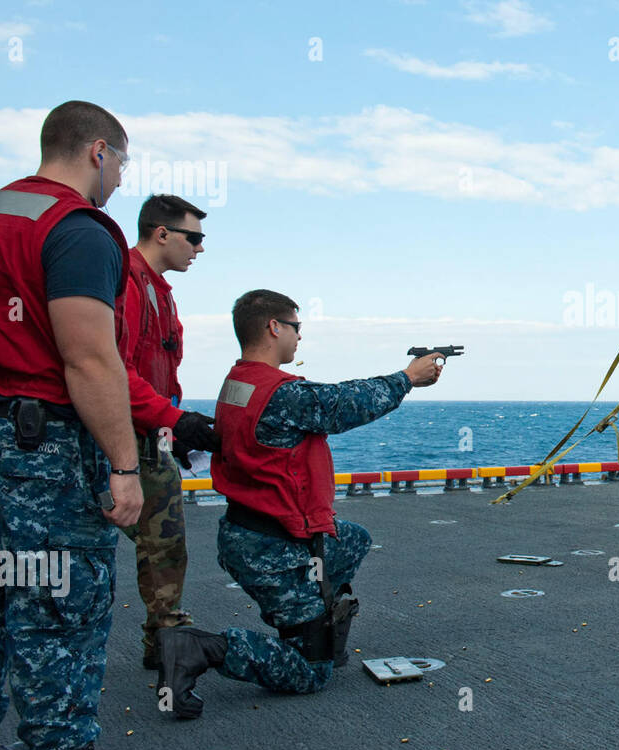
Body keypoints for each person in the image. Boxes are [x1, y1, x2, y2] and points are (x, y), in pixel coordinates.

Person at [156, 290, 443, 719]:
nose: (298, 338)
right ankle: (202, 648)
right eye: (296, 328)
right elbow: (345, 405)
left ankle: (315, 627)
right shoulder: (281, 394)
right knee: (311, 674)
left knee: (352, 539)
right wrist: (407, 378)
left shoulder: (238, 381)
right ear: (275, 327)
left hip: (251, 530)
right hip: (273, 548)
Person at [0, 100, 146, 750]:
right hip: (40, 449)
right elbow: (89, 358)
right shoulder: (76, 228)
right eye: (122, 164)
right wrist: (124, 467)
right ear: (98, 151)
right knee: (58, 602)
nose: (121, 181)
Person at [115, 194, 221, 669]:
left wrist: (172, 429)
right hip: (123, 433)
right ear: (162, 233)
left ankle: (165, 640)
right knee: (153, 540)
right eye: (193, 237)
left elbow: (159, 372)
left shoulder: (158, 288)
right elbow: (117, 373)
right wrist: (175, 421)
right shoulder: (128, 282)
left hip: (152, 431)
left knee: (165, 540)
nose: (199, 249)